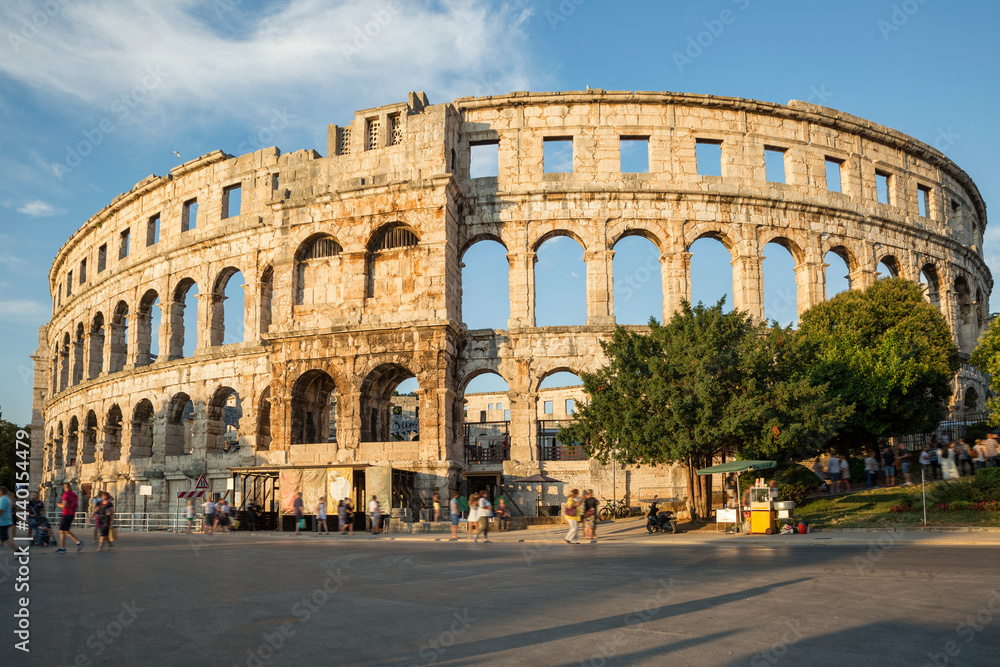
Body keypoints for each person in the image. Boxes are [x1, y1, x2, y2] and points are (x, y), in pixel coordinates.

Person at [55, 482, 84, 553]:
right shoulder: (75, 495)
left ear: (64, 487)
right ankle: (78, 542)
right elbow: (76, 505)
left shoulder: (65, 495)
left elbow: (64, 505)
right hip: (72, 514)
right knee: (66, 531)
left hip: (66, 514)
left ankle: (62, 548)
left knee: (61, 531)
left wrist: (59, 505)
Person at [0, 486, 18, 554]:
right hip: (5, 521)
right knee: (4, 538)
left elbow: (1, 511)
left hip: (3, 522)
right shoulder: (6, 498)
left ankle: (19, 551)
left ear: (1, 491)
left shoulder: (3, 499)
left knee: (6, 539)